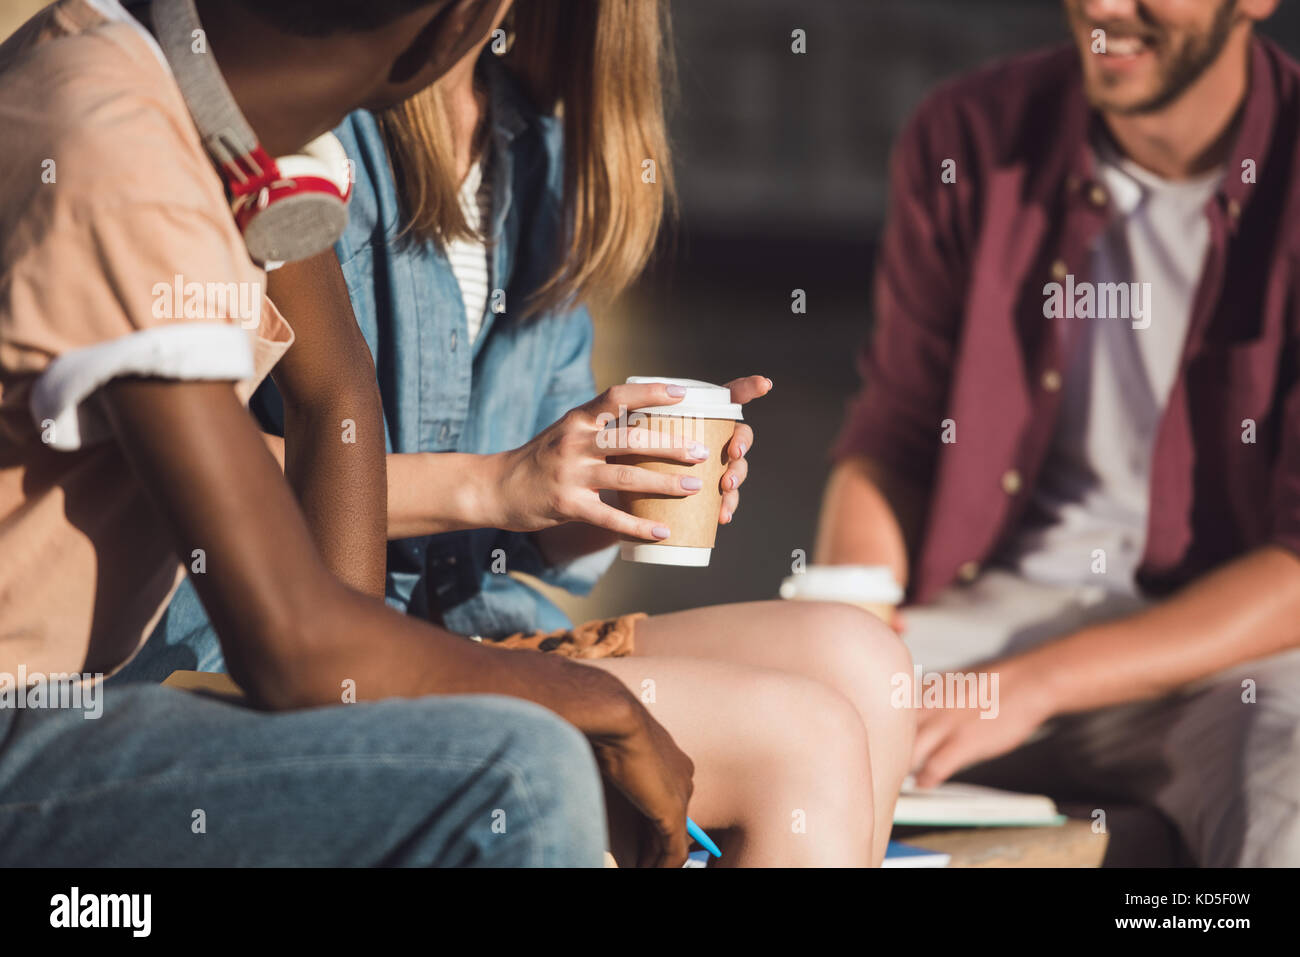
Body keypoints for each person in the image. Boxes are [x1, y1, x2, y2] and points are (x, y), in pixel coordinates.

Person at [134, 0, 916, 866]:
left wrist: (603, 492)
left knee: (866, 661)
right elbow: (170, 463)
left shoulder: (540, 146)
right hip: (267, 646)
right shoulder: (298, 121)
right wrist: (490, 482)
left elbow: (526, 518)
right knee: (800, 742)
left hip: (462, 630)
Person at [0, 0, 697, 868]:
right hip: (25, 725)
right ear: (459, 25)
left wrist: (362, 701)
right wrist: (597, 700)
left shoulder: (214, 92)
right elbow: (297, 648)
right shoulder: (115, 142)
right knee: (521, 771)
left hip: (83, 710)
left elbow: (336, 392)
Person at [817, 0, 1300, 866]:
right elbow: (894, 437)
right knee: (765, 712)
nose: (1107, 7)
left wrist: (1036, 685)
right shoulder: (967, 134)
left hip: (1234, 648)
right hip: (984, 618)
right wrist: (850, 625)